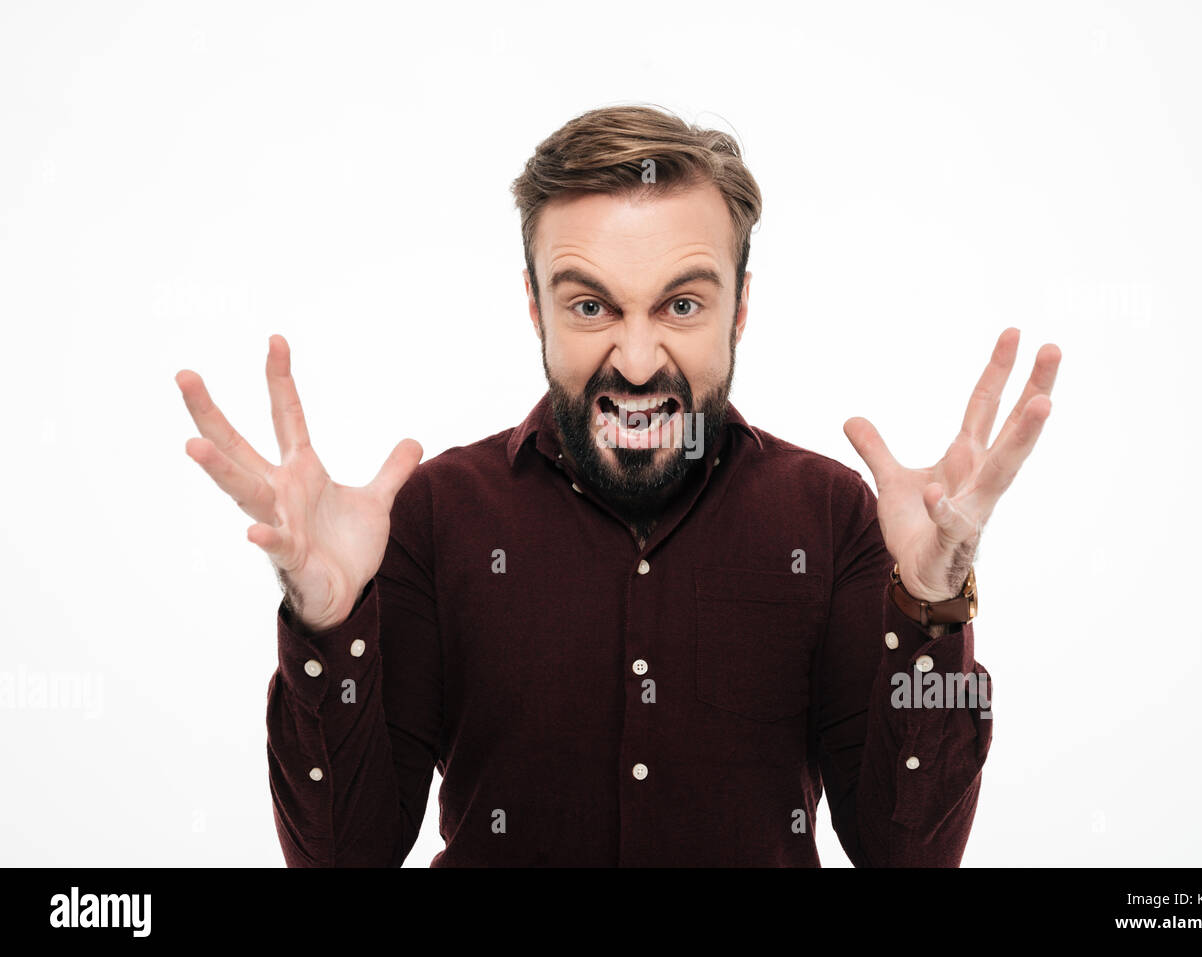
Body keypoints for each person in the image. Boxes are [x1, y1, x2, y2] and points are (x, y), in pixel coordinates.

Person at [175, 105, 1060, 867]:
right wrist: (325, 624)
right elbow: (345, 856)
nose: (637, 363)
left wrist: (935, 610)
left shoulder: (831, 518)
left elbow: (909, 853)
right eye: (591, 305)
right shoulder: (434, 515)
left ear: (740, 307)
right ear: (535, 305)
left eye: (681, 304)